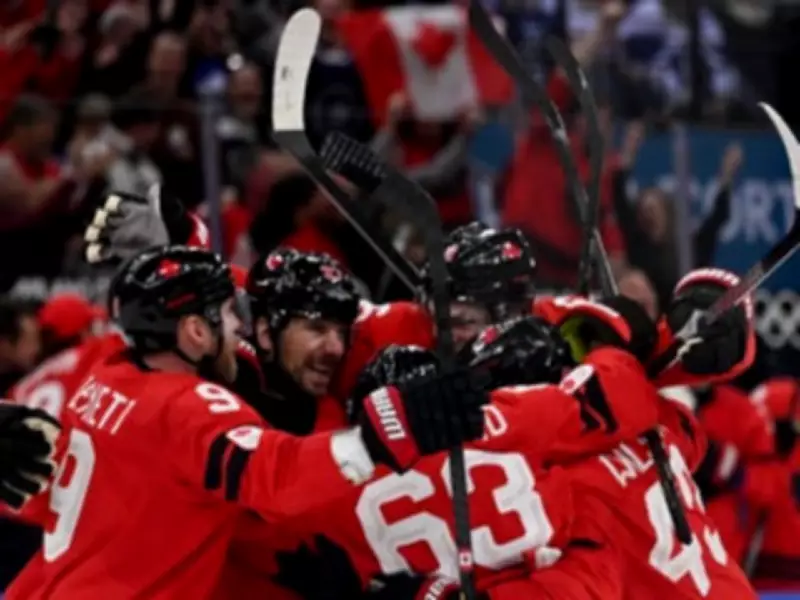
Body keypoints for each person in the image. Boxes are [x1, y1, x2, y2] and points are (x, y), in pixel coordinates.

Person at [5, 245, 487, 600]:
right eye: (227, 316)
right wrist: (390, 431)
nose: (238, 327)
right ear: (196, 331)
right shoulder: (189, 409)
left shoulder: (106, 376)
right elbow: (275, 475)